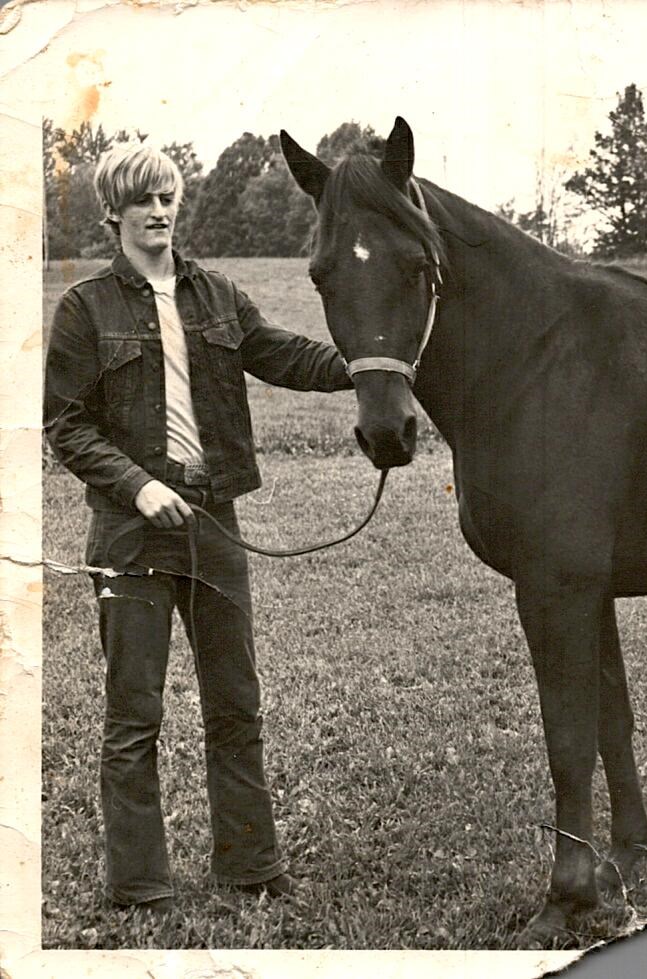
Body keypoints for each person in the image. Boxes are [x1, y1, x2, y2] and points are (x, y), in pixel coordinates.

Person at [43, 143, 354, 913]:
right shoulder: (85, 308)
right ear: (113, 210)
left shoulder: (217, 295)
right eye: (143, 198)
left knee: (235, 701)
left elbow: (282, 353)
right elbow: (66, 424)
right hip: (129, 536)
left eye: (169, 195)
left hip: (216, 523)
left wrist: (369, 362)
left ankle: (250, 866)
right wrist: (138, 485)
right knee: (134, 714)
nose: (159, 210)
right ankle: (140, 885)